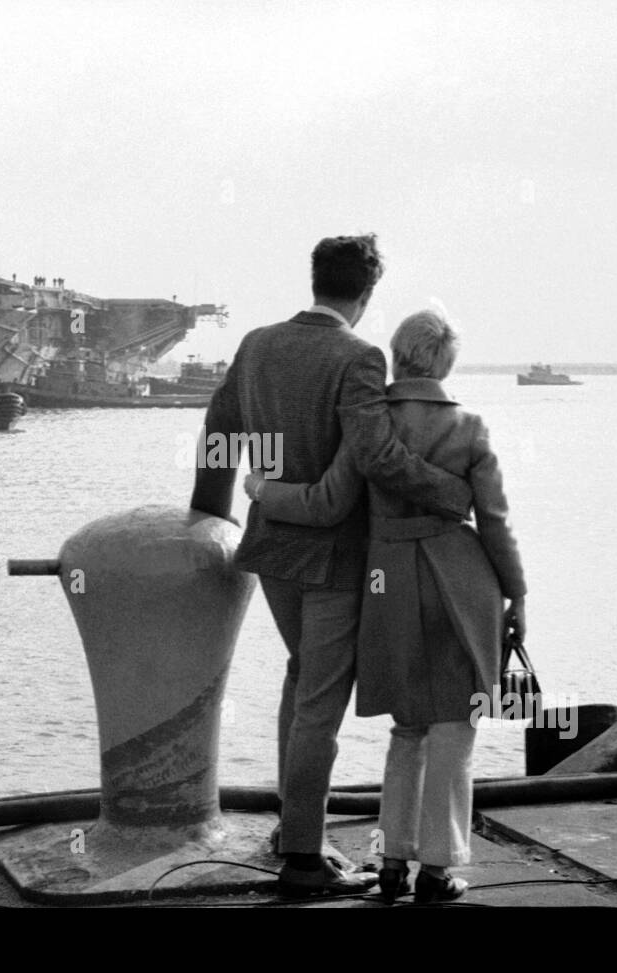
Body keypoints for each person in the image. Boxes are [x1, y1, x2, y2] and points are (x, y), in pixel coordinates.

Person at [189, 235, 474, 897]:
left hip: (268, 550)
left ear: (314, 278)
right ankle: (303, 861)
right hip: (333, 559)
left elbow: (221, 431)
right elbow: (376, 455)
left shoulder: (257, 343)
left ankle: (294, 827)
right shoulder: (359, 356)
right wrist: (451, 493)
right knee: (321, 703)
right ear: (367, 292)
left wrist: (208, 515)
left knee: (299, 678)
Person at [244, 308, 527, 904]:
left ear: (397, 357)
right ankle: (439, 868)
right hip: (461, 576)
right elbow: (496, 523)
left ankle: (393, 861)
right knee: (457, 723)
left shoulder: (368, 427)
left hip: (385, 578)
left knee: (408, 727)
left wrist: (262, 490)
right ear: (448, 364)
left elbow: (333, 500)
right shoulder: (470, 427)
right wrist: (517, 594)